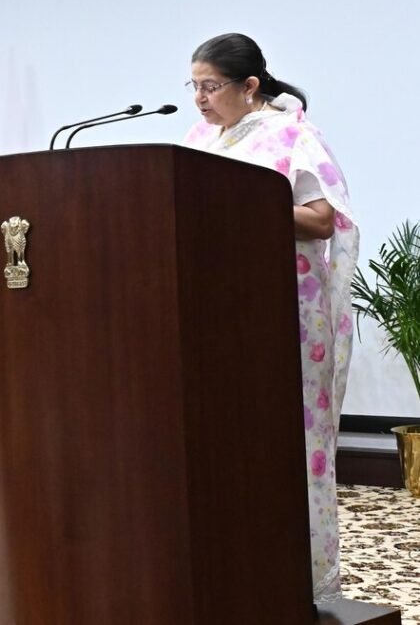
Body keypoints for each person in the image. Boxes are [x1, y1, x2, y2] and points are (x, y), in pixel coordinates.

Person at [181, 33, 358, 603]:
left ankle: (300, 577)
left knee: (285, 440)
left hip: (283, 313)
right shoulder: (198, 140)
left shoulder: (292, 134)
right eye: (195, 87)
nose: (200, 100)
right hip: (212, 312)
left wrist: (244, 207)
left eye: (210, 86)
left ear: (249, 86)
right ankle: (233, 567)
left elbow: (322, 218)